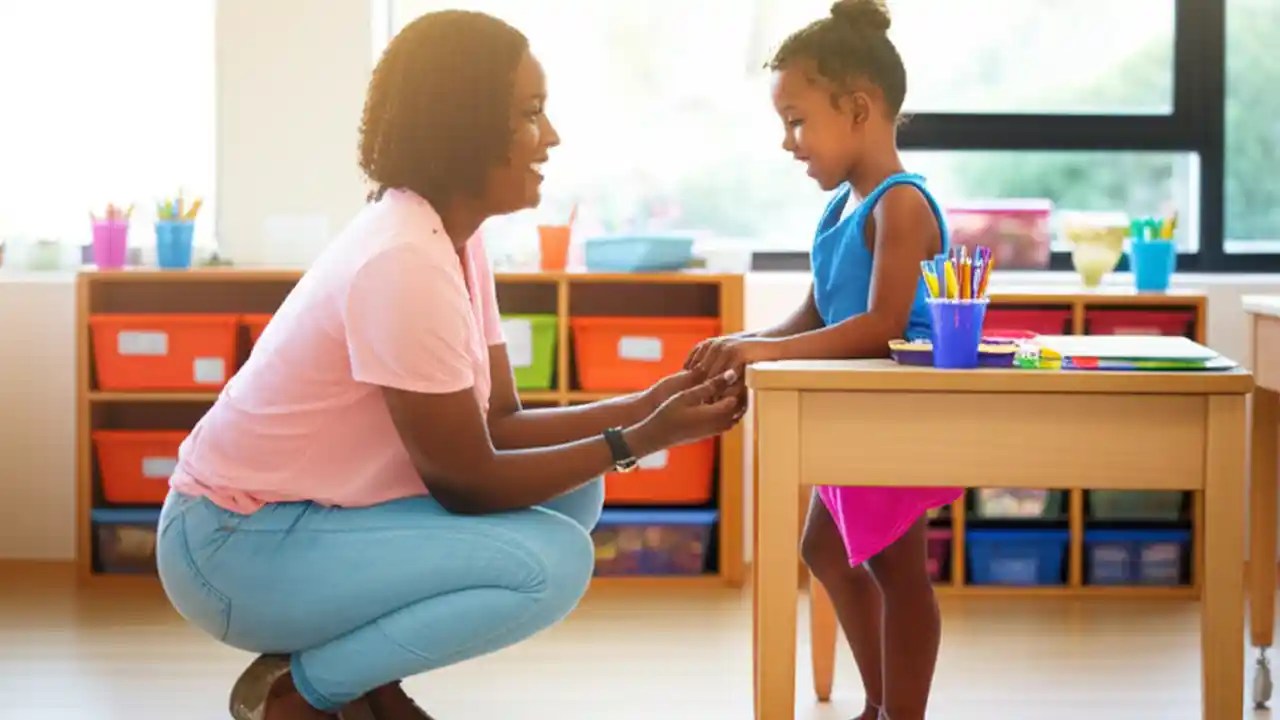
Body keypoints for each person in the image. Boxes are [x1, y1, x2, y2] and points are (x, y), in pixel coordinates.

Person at [155, 10, 744, 720]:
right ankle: (300, 694)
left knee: (573, 495)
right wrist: (641, 439)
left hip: (299, 520)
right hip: (230, 547)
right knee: (553, 563)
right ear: (466, 125)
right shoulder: (403, 260)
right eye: (531, 113)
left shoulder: (453, 239)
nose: (551, 137)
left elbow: (500, 424)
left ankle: (367, 682)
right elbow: (467, 482)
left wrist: (650, 404)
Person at [686, 2, 954, 718]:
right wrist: (746, 347)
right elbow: (816, 315)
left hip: (895, 414)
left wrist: (767, 350)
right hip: (852, 412)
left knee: (899, 571)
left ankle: (898, 713)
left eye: (797, 121)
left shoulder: (902, 206)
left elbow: (881, 328)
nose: (788, 143)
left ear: (858, 109)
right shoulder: (842, 209)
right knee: (826, 551)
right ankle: (880, 702)